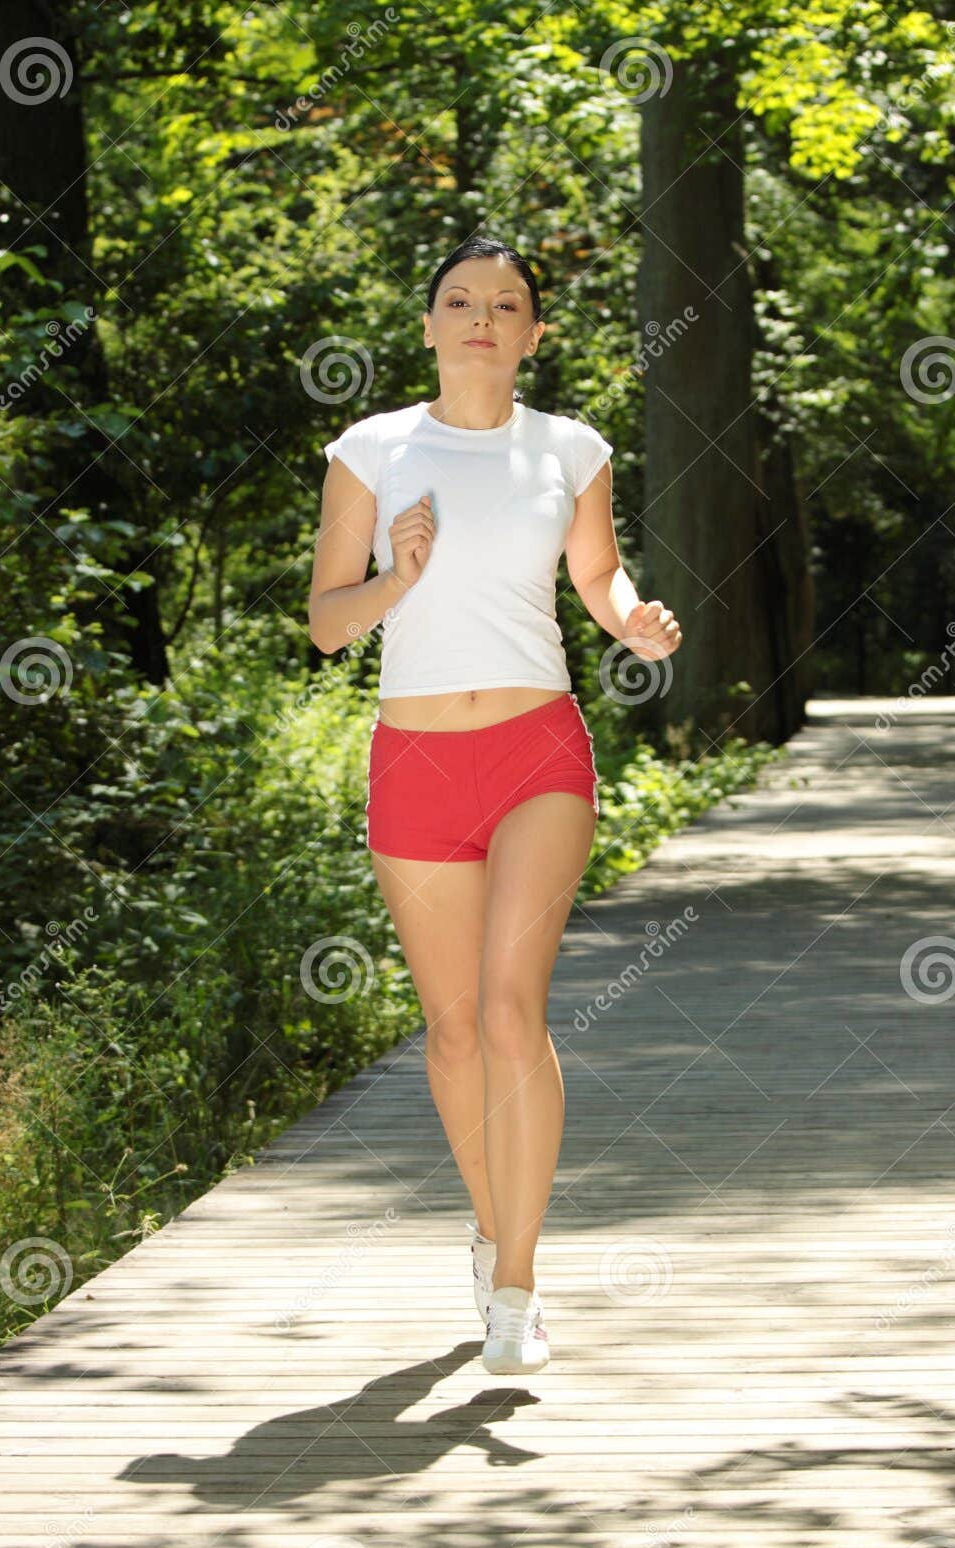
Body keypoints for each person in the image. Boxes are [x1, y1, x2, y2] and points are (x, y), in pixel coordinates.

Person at [309, 234, 681, 1374]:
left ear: (531, 332)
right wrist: (398, 576)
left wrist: (628, 619)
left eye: (504, 303)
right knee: (455, 1029)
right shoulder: (371, 450)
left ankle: (514, 1286)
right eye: (458, 300)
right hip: (413, 762)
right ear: (426, 325)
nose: (480, 316)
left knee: (512, 1010)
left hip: (536, 752)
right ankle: (491, 1228)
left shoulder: (566, 449)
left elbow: (593, 571)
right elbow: (328, 623)